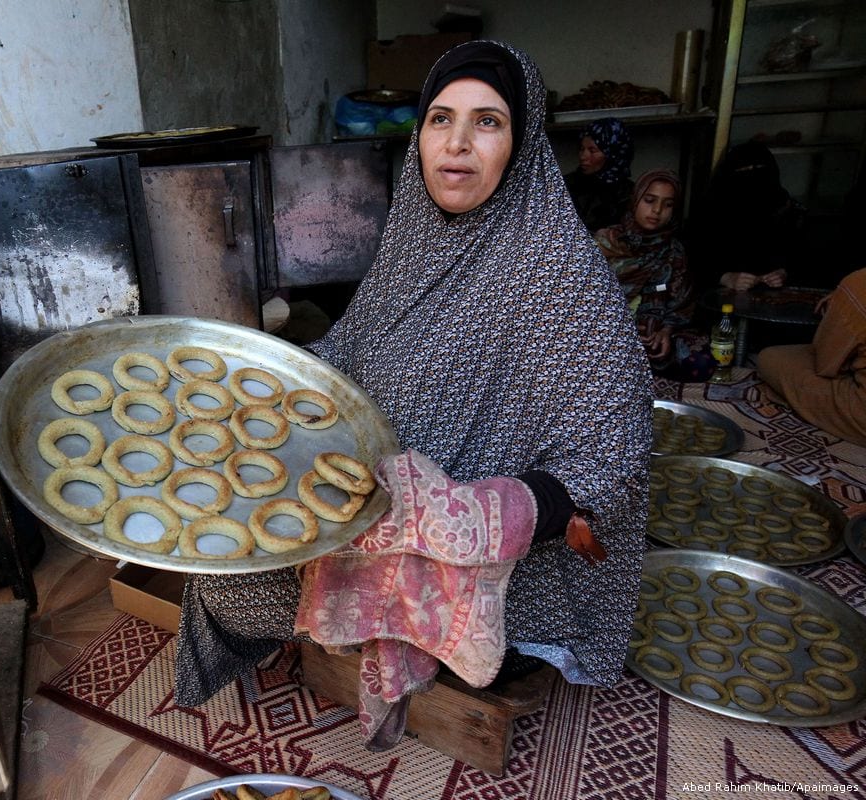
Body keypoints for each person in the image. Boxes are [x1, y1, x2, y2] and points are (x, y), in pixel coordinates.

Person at [174, 40, 652, 749]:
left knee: (235, 587)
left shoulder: (558, 273)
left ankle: (429, 637)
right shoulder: (415, 238)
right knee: (219, 554)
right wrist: (252, 379)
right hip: (379, 509)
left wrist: (475, 516)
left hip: (495, 567)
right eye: (439, 119)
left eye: (487, 122)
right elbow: (347, 353)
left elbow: (611, 467)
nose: (457, 144)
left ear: (520, 144)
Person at [595, 168, 708, 377]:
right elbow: (583, 301)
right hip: (606, 336)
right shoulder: (606, 242)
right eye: (649, 200)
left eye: (668, 204)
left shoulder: (674, 251)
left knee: (699, 363)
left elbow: (681, 304)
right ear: (635, 199)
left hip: (651, 340)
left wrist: (665, 332)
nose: (657, 210)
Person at [757, 268, 866, 446]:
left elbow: (825, 365)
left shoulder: (859, 284)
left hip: (860, 415)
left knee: (770, 358)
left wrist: (840, 307)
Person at [684, 140, 805, 293]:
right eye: (744, 171)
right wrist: (724, 277)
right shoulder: (708, 213)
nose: (752, 179)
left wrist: (783, 273)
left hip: (771, 302)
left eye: (760, 171)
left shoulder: (785, 210)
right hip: (717, 302)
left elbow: (800, 259)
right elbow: (691, 261)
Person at [563, 117, 635, 231]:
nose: (583, 157)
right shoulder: (566, 186)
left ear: (612, 153)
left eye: (592, 151)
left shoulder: (629, 194)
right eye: (582, 149)